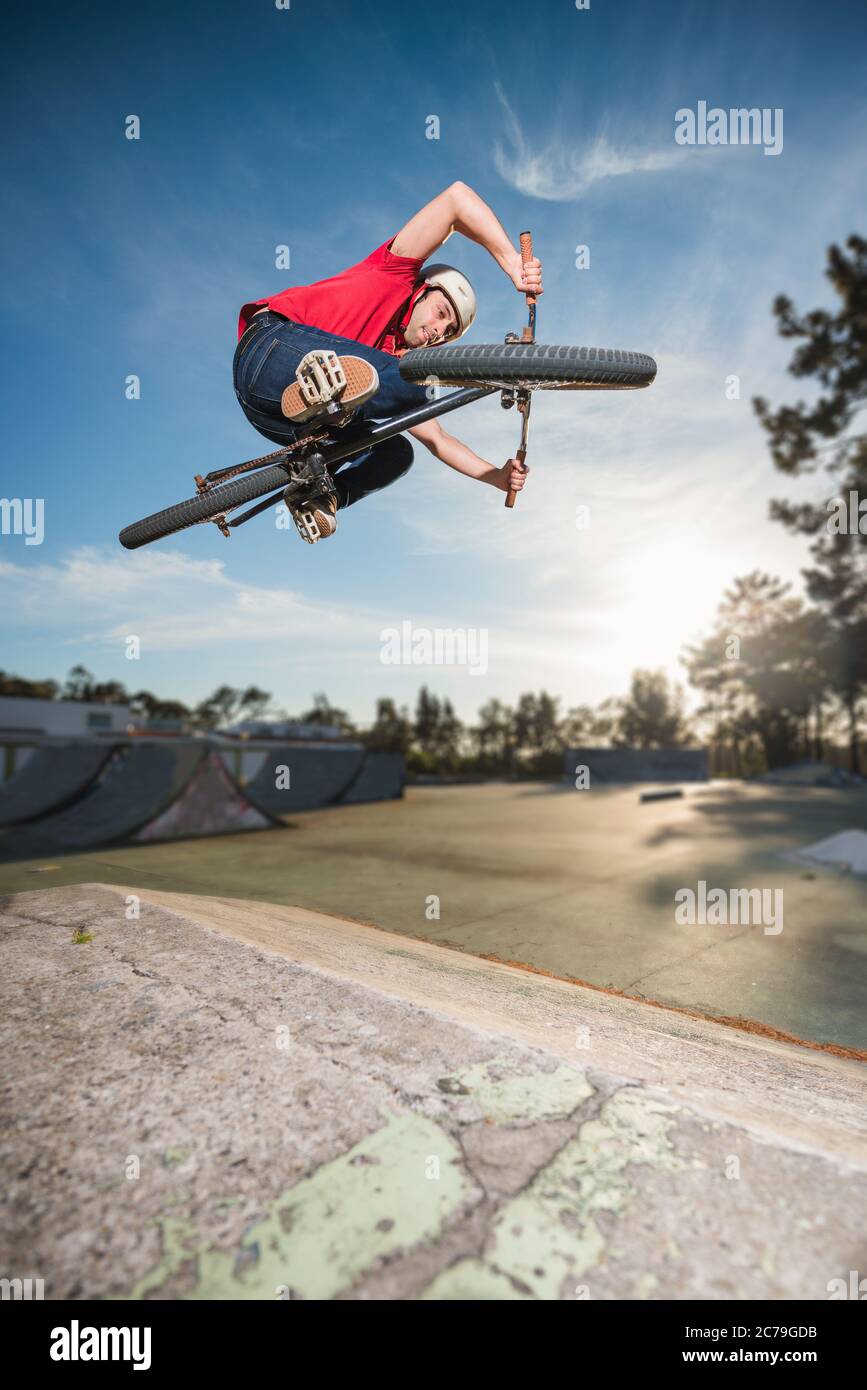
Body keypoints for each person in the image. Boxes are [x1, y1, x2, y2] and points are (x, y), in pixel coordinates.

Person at [233, 181, 542, 544]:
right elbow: (457, 199)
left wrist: (495, 476)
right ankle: (318, 387)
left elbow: (438, 441)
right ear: (421, 291)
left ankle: (319, 496)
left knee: (397, 451)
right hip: (270, 353)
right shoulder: (393, 274)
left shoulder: (388, 364)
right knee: (413, 382)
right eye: (440, 314)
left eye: (447, 332)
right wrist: (510, 262)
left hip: (269, 417)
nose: (437, 333)